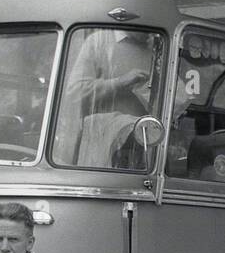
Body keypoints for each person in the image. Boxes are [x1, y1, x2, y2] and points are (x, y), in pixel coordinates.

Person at [53, 28, 158, 167]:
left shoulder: (158, 46)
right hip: (101, 150)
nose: (150, 33)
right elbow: (74, 92)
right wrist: (119, 82)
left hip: (147, 148)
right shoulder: (98, 42)